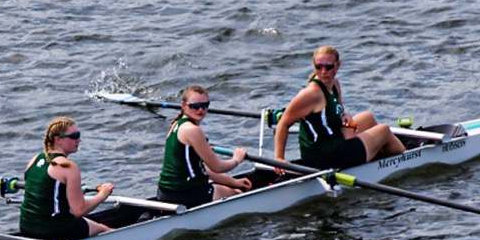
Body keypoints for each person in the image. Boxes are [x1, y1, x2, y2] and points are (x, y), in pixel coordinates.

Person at [271, 45, 405, 171]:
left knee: (367, 117)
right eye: (319, 67)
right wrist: (279, 158)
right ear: (314, 65)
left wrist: (345, 115)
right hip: (325, 158)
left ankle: (376, 155)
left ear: (337, 65)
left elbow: (339, 109)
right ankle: (406, 158)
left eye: (328, 67)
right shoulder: (311, 94)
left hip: (335, 141)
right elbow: (283, 124)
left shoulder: (334, 84)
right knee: (384, 130)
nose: (323, 71)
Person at [155, 86, 252, 207]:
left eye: (205, 105)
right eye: (195, 106)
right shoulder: (192, 130)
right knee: (238, 195)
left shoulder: (176, 124)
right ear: (184, 105)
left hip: (165, 192)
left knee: (233, 188)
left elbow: (202, 169)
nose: (200, 110)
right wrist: (236, 159)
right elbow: (218, 167)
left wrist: (234, 182)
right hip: (185, 193)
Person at [19, 117, 115, 239]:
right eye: (74, 136)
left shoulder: (35, 159)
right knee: (103, 229)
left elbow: (45, 191)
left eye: (78, 135)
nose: (79, 140)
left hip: (26, 227)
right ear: (58, 140)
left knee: (89, 223)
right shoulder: (68, 166)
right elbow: (79, 210)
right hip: (53, 230)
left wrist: (69, 189)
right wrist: (103, 194)